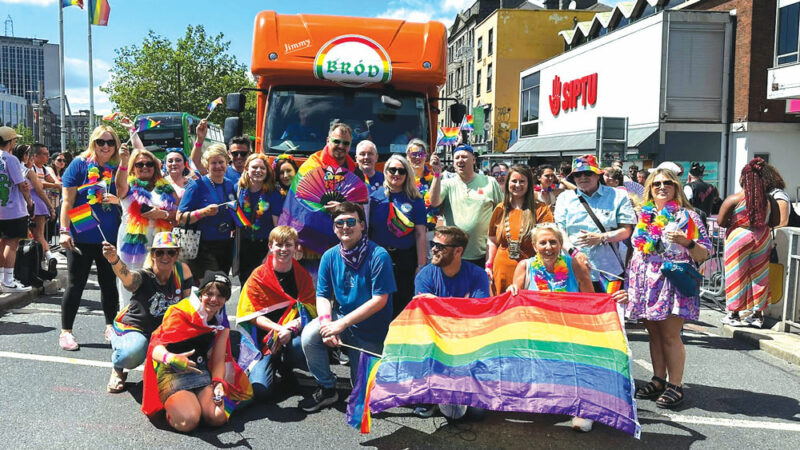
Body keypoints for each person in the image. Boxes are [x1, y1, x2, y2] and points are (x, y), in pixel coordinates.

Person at [507, 223, 627, 432]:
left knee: (582, 363)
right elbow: (514, 296)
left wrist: (613, 300)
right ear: (535, 246)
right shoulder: (525, 266)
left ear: (561, 244)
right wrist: (512, 289)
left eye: (553, 242)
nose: (548, 247)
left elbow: (590, 300)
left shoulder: (574, 265)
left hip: (571, 329)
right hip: (538, 331)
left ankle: (585, 410)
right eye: (542, 242)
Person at [626, 168, 710, 409]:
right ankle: (658, 378)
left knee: (671, 335)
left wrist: (687, 242)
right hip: (644, 283)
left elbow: (704, 253)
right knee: (654, 334)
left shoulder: (687, 217)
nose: (662, 187)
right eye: (656, 184)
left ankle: (676, 385)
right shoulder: (644, 215)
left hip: (671, 282)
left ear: (676, 188)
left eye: (668, 183)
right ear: (650, 189)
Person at [299, 202, 396, 412]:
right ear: (334, 228)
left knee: (364, 398)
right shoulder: (330, 256)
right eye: (339, 223)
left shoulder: (379, 256)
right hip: (341, 319)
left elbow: (380, 299)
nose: (345, 227)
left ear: (362, 225)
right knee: (309, 336)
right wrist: (327, 325)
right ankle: (327, 387)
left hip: (370, 331)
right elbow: (323, 295)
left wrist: (340, 324)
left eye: (351, 222)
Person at [141, 272, 253, 432]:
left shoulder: (221, 320)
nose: (214, 299)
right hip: (173, 372)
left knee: (217, 417)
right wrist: (171, 358)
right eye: (209, 293)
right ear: (201, 294)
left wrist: (218, 383)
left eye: (220, 295)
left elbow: (219, 357)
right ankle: (173, 409)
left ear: (226, 299)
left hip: (200, 371)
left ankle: (193, 403)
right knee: (189, 421)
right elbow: (155, 348)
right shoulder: (180, 312)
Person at [412, 226, 491, 419]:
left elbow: (477, 315)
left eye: (440, 246)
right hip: (435, 342)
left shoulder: (477, 275)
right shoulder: (425, 275)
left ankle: (454, 389)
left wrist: (438, 304)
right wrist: (459, 308)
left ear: (458, 251)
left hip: (467, 343)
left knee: (477, 414)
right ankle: (431, 393)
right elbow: (425, 317)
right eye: (433, 244)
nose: (433, 250)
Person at [102, 232, 193, 393]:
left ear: (177, 254)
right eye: (160, 252)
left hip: (164, 331)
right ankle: (118, 366)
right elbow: (129, 280)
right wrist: (114, 260)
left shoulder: (182, 270)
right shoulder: (145, 275)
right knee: (132, 353)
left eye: (171, 252)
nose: (165, 256)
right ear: (153, 254)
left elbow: (188, 304)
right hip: (136, 328)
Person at [59, 125, 122, 351]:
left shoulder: (118, 167)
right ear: (93, 142)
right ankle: (66, 332)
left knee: (109, 283)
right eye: (100, 142)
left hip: (109, 235)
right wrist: (63, 231)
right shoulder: (79, 164)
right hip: (82, 231)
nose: (105, 146)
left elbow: (126, 195)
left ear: (116, 144)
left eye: (110, 142)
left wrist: (116, 199)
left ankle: (110, 326)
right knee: (76, 284)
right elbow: (67, 201)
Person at [236, 226, 315, 401]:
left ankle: (287, 368)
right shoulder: (257, 276)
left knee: (305, 341)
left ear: (296, 248)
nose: (284, 249)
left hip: (291, 336)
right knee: (262, 391)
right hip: (262, 341)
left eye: (288, 245)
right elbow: (250, 315)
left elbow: (310, 311)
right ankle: (272, 363)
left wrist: (291, 329)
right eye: (279, 245)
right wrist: (279, 329)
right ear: (270, 246)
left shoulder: (303, 277)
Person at [278, 122, 366, 258]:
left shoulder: (355, 172)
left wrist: (342, 208)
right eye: (337, 141)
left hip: (341, 246)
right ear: (328, 140)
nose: (341, 146)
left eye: (346, 143)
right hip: (305, 248)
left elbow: (360, 208)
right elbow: (297, 206)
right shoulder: (311, 166)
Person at [554, 155, 636, 292]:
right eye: (578, 174)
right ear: (573, 178)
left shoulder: (618, 196)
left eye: (588, 173)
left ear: (598, 175)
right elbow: (559, 231)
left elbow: (626, 230)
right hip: (573, 269)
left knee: (609, 312)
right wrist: (574, 253)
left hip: (608, 270)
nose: (582, 177)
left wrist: (602, 237)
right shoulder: (564, 198)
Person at [718, 158, 780, 328]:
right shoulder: (769, 200)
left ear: (743, 178)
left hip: (739, 236)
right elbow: (775, 221)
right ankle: (757, 315)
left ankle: (734, 314)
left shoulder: (735, 198)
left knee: (736, 275)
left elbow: (721, 222)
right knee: (760, 276)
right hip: (762, 237)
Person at [115, 145, 179, 307]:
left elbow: (177, 213)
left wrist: (163, 214)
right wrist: (123, 161)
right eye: (139, 164)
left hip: (160, 242)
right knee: (129, 280)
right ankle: (127, 319)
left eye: (149, 164)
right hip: (133, 244)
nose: (145, 167)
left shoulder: (166, 187)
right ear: (133, 168)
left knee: (159, 280)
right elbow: (119, 186)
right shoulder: (128, 186)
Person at [368, 154, 427, 317]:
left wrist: (421, 266)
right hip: (378, 257)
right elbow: (367, 230)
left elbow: (421, 234)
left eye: (401, 171)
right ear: (385, 171)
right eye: (392, 170)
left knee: (403, 302)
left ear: (407, 174)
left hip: (405, 259)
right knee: (379, 301)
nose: (396, 174)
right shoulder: (373, 198)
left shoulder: (415, 200)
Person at [429, 145, 502, 268]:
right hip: (452, 254)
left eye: (464, 157)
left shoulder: (490, 182)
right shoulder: (447, 184)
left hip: (483, 254)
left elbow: (501, 213)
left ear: (473, 160)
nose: (460, 160)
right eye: (457, 157)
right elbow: (434, 202)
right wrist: (436, 174)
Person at [486, 165, 553, 295]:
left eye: (522, 181)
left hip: (530, 271)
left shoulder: (540, 209)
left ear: (529, 184)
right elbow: (492, 240)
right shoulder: (500, 208)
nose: (518, 185)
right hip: (501, 270)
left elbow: (549, 240)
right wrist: (489, 265)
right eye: (514, 181)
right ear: (507, 183)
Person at [178, 144, 237, 281]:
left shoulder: (229, 185)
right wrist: (203, 212)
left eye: (221, 162)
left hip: (225, 244)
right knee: (211, 286)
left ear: (227, 163)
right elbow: (180, 217)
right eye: (213, 163)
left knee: (222, 286)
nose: (218, 166)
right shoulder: (196, 185)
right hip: (201, 246)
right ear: (207, 165)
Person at [236, 153, 283, 283]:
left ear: (267, 171)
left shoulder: (273, 194)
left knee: (263, 284)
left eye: (262, 168)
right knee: (245, 284)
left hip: (264, 246)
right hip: (243, 246)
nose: (258, 171)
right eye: (254, 167)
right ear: (246, 169)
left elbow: (277, 227)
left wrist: (271, 252)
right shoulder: (238, 190)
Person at [0, 127, 33, 292]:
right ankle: (8, 280)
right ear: (11, 142)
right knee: (11, 243)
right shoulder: (10, 159)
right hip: (13, 208)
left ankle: (1, 279)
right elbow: (22, 185)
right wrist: (29, 201)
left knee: (1, 242)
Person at [16, 144, 56, 273]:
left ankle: (28, 265)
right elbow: (39, 190)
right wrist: (50, 207)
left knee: (23, 237)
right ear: (25, 156)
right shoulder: (28, 171)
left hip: (19, 205)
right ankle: (48, 258)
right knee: (39, 235)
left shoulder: (14, 169)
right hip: (35, 204)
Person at [191, 118, 252, 185]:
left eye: (243, 153)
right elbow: (196, 161)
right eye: (235, 153)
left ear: (249, 153)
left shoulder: (255, 172)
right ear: (229, 153)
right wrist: (200, 139)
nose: (239, 157)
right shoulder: (220, 170)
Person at [405, 139, 440, 232]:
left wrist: (437, 173)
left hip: (430, 230)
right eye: (413, 154)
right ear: (407, 157)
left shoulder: (434, 179)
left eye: (421, 154)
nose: (417, 157)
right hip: (408, 230)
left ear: (425, 157)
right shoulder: (402, 179)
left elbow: (438, 206)